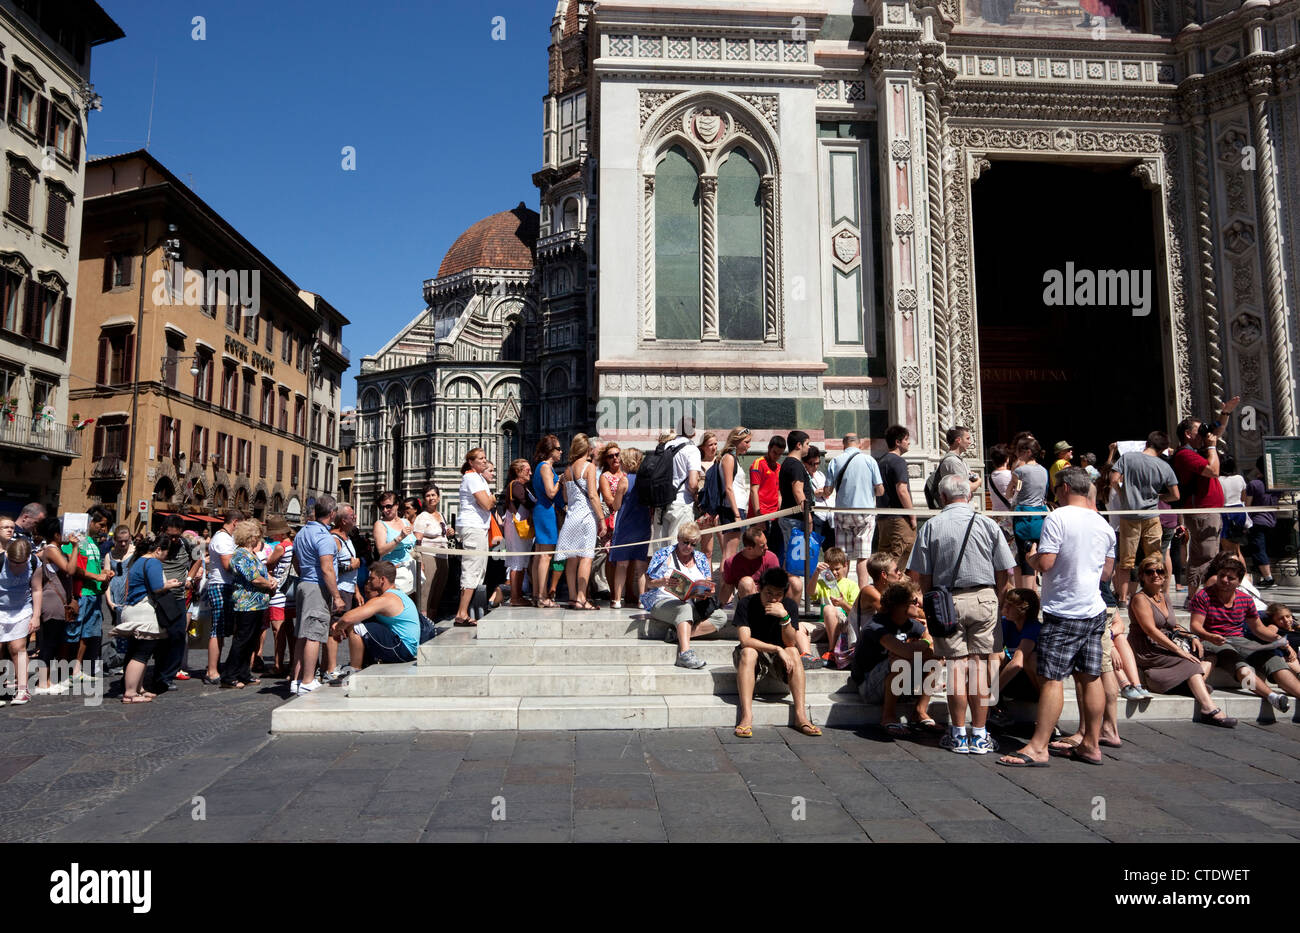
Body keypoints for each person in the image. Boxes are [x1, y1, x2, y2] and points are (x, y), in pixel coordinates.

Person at [998, 467, 1115, 768]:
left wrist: (1030, 558)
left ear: (1063, 488)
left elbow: (1046, 563)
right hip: (1094, 608)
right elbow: (1107, 573)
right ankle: (1091, 743)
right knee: (1090, 678)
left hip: (1064, 610)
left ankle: (1038, 747)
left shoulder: (1057, 518)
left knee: (1052, 680)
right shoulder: (1103, 524)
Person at [909, 474, 1014, 755]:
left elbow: (923, 576)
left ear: (942, 497)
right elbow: (1006, 571)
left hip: (947, 601)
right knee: (980, 667)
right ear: (969, 495)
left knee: (956, 667)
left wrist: (932, 604)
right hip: (984, 597)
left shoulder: (931, 526)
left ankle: (957, 734)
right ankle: (979, 734)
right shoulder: (987, 524)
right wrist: (999, 599)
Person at [1126, 556, 1235, 726]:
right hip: (1147, 646)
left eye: (1159, 571)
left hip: (1165, 642)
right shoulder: (1140, 598)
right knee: (1191, 665)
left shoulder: (1164, 597)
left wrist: (1192, 636)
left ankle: (1171, 682)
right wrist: (1179, 651)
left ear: (1165, 575)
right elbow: (1151, 630)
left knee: (1209, 655)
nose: (1155, 575)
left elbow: (1173, 625)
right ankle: (1208, 708)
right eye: (1150, 571)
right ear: (1142, 576)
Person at [1188, 553, 1295, 712]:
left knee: (1274, 660)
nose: (1224, 580)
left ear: (1239, 582)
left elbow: (1258, 629)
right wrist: (1210, 636)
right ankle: (1272, 696)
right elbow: (1195, 626)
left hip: (1239, 640)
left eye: (1230, 578)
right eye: (1222, 575)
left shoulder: (1245, 599)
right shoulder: (1204, 596)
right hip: (1212, 640)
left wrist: (1278, 639)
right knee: (1243, 668)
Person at [732, 567, 822, 738]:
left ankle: (800, 715)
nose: (773, 598)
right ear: (760, 588)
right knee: (749, 652)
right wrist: (776, 648)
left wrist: (785, 618)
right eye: (768, 593)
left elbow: (790, 641)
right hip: (754, 655)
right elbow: (745, 640)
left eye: (778, 594)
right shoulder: (747, 603)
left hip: (779, 660)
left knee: (793, 652)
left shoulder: (789, 606)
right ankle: (746, 716)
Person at [1172, 397, 1240, 599]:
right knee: (1204, 557)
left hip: (1209, 509)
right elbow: (1213, 470)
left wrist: (1225, 413)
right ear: (1188, 434)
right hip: (1202, 510)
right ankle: (1195, 598)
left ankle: (1197, 596)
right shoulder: (1185, 454)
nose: (1204, 435)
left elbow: (1215, 431)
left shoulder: (1196, 450)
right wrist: (1211, 447)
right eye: (1199, 431)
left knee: (1207, 554)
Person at [849, 580, 934, 735]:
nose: (919, 604)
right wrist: (925, 642)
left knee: (933, 658)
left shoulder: (910, 623)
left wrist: (924, 642)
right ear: (900, 605)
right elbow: (906, 651)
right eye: (914, 601)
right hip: (869, 687)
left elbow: (929, 641)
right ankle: (888, 716)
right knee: (901, 660)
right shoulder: (876, 625)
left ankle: (919, 711)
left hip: (896, 682)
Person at [1109, 431, 1181, 607]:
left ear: (1147, 444)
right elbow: (1175, 495)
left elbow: (1113, 479)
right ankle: (1156, 594)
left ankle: (1123, 598)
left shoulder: (1128, 458)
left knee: (1126, 560)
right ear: (1163, 448)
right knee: (1156, 557)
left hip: (1129, 515)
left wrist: (1122, 494)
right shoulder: (1164, 467)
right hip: (1151, 516)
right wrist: (1158, 497)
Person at [642, 521, 726, 670]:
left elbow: (708, 582)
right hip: (663, 602)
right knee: (685, 607)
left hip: (693, 603)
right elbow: (649, 583)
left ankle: (676, 635)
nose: (688, 547)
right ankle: (685, 654)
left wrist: (707, 591)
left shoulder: (700, 558)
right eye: (685, 542)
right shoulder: (663, 554)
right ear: (678, 539)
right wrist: (663, 581)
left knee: (721, 617)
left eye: (693, 544)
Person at [115, 534, 177, 704]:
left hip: (132, 609)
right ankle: (130, 693)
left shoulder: (138, 561)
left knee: (137, 651)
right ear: (158, 550)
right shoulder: (153, 562)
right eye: (165, 553)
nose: (166, 557)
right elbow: (157, 587)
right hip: (143, 611)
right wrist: (171, 584)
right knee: (142, 653)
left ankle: (138, 688)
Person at [290, 496, 342, 694]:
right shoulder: (324, 536)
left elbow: (295, 560)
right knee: (313, 634)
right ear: (332, 514)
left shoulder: (302, 532)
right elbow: (327, 568)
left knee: (302, 634)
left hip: (304, 583)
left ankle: (296, 680)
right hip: (316, 587)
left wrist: (305, 573)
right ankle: (308, 680)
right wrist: (336, 596)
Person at [825, 433, 885, 590]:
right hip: (864, 513)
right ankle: (862, 591)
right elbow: (879, 490)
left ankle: (839, 592)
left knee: (842, 557)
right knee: (862, 555)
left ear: (843, 445)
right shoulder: (869, 460)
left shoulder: (835, 461)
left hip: (842, 513)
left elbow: (828, 490)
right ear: (860, 445)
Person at [220, 520, 276, 688]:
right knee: (242, 640)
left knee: (251, 641)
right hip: (246, 604)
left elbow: (262, 573)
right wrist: (269, 584)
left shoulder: (251, 554)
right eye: (255, 536)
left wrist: (269, 579)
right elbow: (253, 578)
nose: (258, 539)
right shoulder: (240, 555)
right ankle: (229, 675)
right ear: (249, 537)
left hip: (257, 603)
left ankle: (244, 673)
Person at [332, 559, 419, 666]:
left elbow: (347, 618)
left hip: (402, 650)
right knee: (364, 620)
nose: (368, 581)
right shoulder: (397, 594)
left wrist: (337, 628)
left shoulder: (386, 599)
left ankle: (354, 669)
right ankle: (366, 664)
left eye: (372, 578)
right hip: (407, 650)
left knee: (355, 626)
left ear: (382, 580)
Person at [66, 505, 115, 685]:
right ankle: (67, 671)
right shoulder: (75, 541)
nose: (103, 529)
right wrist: (96, 576)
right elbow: (72, 567)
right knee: (74, 634)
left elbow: (92, 567)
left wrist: (104, 573)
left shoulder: (93, 543)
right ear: (90, 521)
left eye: (106, 525)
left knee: (88, 634)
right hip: (81, 594)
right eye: (101, 524)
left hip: (94, 593)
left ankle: (77, 670)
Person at [555, 434, 605, 610]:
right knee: (586, 557)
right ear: (588, 449)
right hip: (586, 517)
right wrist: (601, 519)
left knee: (572, 558)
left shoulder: (568, 470)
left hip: (571, 517)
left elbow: (566, 498)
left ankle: (572, 596)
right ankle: (582, 598)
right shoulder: (589, 467)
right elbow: (592, 495)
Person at [153, 514, 202, 692]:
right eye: (170, 535)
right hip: (159, 597)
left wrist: (190, 577)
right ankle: (158, 673)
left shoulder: (186, 544)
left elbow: (198, 559)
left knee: (178, 635)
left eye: (176, 535)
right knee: (159, 638)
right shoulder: (156, 546)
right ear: (163, 531)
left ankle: (167, 675)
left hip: (179, 597)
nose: (173, 539)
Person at [989, 588, 1043, 728]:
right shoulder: (1006, 624)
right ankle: (998, 709)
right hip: (1012, 682)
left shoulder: (1034, 627)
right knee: (995, 653)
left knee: (1031, 658)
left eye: (1009, 605)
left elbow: (1017, 663)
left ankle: (1045, 712)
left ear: (1022, 610)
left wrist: (992, 693)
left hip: (1032, 685)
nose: (1005, 608)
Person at [32, 517, 74, 692]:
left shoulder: (56, 549)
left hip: (58, 601)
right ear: (56, 534)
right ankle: (43, 682)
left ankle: (47, 679)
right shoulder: (51, 549)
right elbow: (70, 569)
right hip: (52, 602)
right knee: (49, 643)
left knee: (53, 641)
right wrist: (76, 547)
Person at [454, 448, 495, 626]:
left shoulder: (477, 477)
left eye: (485, 458)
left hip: (478, 527)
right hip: (473, 527)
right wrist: (492, 498)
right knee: (471, 570)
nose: (484, 461)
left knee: (478, 570)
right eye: (480, 459)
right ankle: (461, 613)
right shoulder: (471, 477)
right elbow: (486, 504)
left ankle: (464, 611)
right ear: (471, 462)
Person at [0, 538, 41, 705]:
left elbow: (37, 589)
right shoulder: (1, 561)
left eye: (21, 563)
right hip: (1, 609)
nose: (17, 567)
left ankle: (23, 690)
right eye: (13, 562)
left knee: (18, 647)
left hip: (22, 609)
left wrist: (36, 615)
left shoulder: (34, 562)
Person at [203, 510, 242, 685]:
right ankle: (212, 670)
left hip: (226, 585)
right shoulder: (222, 539)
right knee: (217, 628)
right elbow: (227, 565)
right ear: (235, 522)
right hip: (220, 584)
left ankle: (216, 666)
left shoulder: (226, 538)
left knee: (224, 627)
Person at [1004, 436, 1048, 592]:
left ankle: (1027, 594)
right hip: (1040, 516)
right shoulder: (1044, 470)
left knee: (1025, 558)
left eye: (1019, 451)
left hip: (1023, 516)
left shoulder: (1020, 471)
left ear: (1027, 452)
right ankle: (1033, 591)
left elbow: (1010, 493)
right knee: (1035, 553)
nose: (1017, 454)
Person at [609, 447, 651, 609]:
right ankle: (642, 599)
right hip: (643, 525)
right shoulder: (644, 480)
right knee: (641, 565)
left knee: (622, 565)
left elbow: (616, 505)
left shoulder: (624, 480)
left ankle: (617, 599)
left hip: (626, 526)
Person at [654, 418, 703, 547]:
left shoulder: (665, 446)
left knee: (661, 550)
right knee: (679, 548)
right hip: (682, 503)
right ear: (693, 432)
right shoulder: (692, 450)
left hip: (662, 502)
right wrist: (697, 497)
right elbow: (693, 483)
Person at [875, 425, 916, 570]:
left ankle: (883, 589)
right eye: (906, 439)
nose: (909, 442)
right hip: (899, 518)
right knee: (900, 559)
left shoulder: (880, 462)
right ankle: (893, 589)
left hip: (883, 518)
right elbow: (902, 490)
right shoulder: (898, 461)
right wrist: (912, 515)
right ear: (897, 442)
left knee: (884, 561)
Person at [530, 435, 564, 609]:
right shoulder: (545, 467)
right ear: (551, 450)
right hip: (546, 511)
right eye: (558, 449)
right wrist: (561, 480)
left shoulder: (542, 467)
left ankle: (537, 594)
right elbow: (551, 492)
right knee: (546, 556)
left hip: (543, 510)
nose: (561, 452)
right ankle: (542, 596)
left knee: (539, 556)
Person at [813, 547, 860, 667]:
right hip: (825, 624)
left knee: (828, 609)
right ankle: (807, 656)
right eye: (830, 569)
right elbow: (810, 592)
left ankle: (832, 651)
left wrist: (843, 603)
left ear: (845, 565)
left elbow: (857, 613)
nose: (834, 572)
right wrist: (816, 573)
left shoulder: (851, 585)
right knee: (800, 628)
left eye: (837, 569)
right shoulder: (822, 582)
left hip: (843, 623)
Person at [263, 517, 297, 677]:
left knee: (278, 630)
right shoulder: (293, 545)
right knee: (289, 629)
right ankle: (292, 662)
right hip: (290, 591)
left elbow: (268, 563)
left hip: (279, 591)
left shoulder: (281, 547)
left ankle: (278, 665)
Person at [413, 484, 451, 620]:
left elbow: (442, 533)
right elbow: (417, 541)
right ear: (424, 499)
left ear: (439, 498)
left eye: (433, 495)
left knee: (439, 589)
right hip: (428, 555)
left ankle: (432, 620)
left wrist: (449, 532)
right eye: (428, 496)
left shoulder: (440, 515)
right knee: (427, 590)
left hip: (442, 555)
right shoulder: (422, 517)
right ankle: (423, 620)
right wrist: (420, 561)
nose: (431, 498)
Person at [716, 427, 752, 567]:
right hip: (733, 509)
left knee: (731, 552)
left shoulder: (732, 458)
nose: (749, 446)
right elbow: (729, 488)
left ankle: (728, 586)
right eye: (747, 442)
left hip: (736, 509)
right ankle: (726, 587)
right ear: (737, 441)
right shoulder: (729, 458)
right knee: (729, 554)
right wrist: (737, 514)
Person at [775, 430, 812, 568]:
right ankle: (790, 587)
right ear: (798, 445)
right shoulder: (795, 465)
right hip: (795, 519)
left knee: (790, 558)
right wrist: (807, 515)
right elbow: (798, 491)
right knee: (794, 561)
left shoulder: (787, 463)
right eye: (807, 444)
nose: (809, 447)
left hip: (790, 517)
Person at [719, 526, 780, 607]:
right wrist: (716, 607)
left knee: (795, 583)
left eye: (766, 543)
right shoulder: (731, 562)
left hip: (768, 599)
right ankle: (750, 618)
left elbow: (776, 587)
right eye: (762, 546)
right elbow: (728, 588)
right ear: (749, 548)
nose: (767, 547)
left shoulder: (771, 558)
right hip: (744, 598)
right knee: (746, 583)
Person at [372, 490, 417, 596]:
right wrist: (400, 537)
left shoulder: (405, 522)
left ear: (396, 505)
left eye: (388, 506)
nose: (385, 510)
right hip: (394, 574)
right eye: (382, 507)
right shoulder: (380, 524)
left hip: (411, 570)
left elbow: (412, 545)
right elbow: (381, 550)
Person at [502, 459, 534, 607]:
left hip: (518, 526)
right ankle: (515, 597)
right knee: (517, 562)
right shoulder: (516, 485)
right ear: (518, 471)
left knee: (521, 562)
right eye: (527, 470)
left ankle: (518, 595)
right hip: (516, 527)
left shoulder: (522, 485)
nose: (531, 473)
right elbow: (526, 501)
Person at [1243, 457, 1278, 588]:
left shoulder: (1254, 484)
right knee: (1264, 548)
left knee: (1259, 549)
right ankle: (1265, 575)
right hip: (1272, 519)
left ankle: (1269, 578)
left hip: (1257, 520)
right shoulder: (1275, 484)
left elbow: (1248, 504)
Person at [749, 435, 786, 554]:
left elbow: (779, 493)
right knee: (758, 551)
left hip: (775, 517)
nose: (777, 456)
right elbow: (754, 490)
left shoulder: (779, 468)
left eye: (780, 454)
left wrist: (780, 514)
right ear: (769, 448)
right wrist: (758, 516)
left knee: (773, 551)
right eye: (775, 452)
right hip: (760, 515)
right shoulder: (758, 463)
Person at [1217, 456, 1249, 562]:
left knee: (1227, 549)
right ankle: (1243, 574)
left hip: (1225, 513)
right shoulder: (1240, 478)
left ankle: (1237, 572)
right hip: (1239, 511)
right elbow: (1243, 498)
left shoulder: (1217, 480)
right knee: (1237, 549)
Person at [695, 432, 719, 563]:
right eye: (710, 444)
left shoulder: (720, 462)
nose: (714, 447)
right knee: (700, 550)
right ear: (703, 447)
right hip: (699, 511)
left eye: (716, 444)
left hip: (717, 512)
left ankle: (709, 581)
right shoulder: (697, 463)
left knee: (709, 551)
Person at [937, 426, 982, 494]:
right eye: (967, 438)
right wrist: (979, 481)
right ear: (958, 440)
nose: (970, 442)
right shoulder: (952, 461)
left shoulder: (960, 460)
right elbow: (964, 489)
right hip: (958, 503)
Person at [987, 444, 1016, 547]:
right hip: (1011, 517)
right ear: (1007, 459)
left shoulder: (990, 477)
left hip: (997, 517)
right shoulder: (1012, 475)